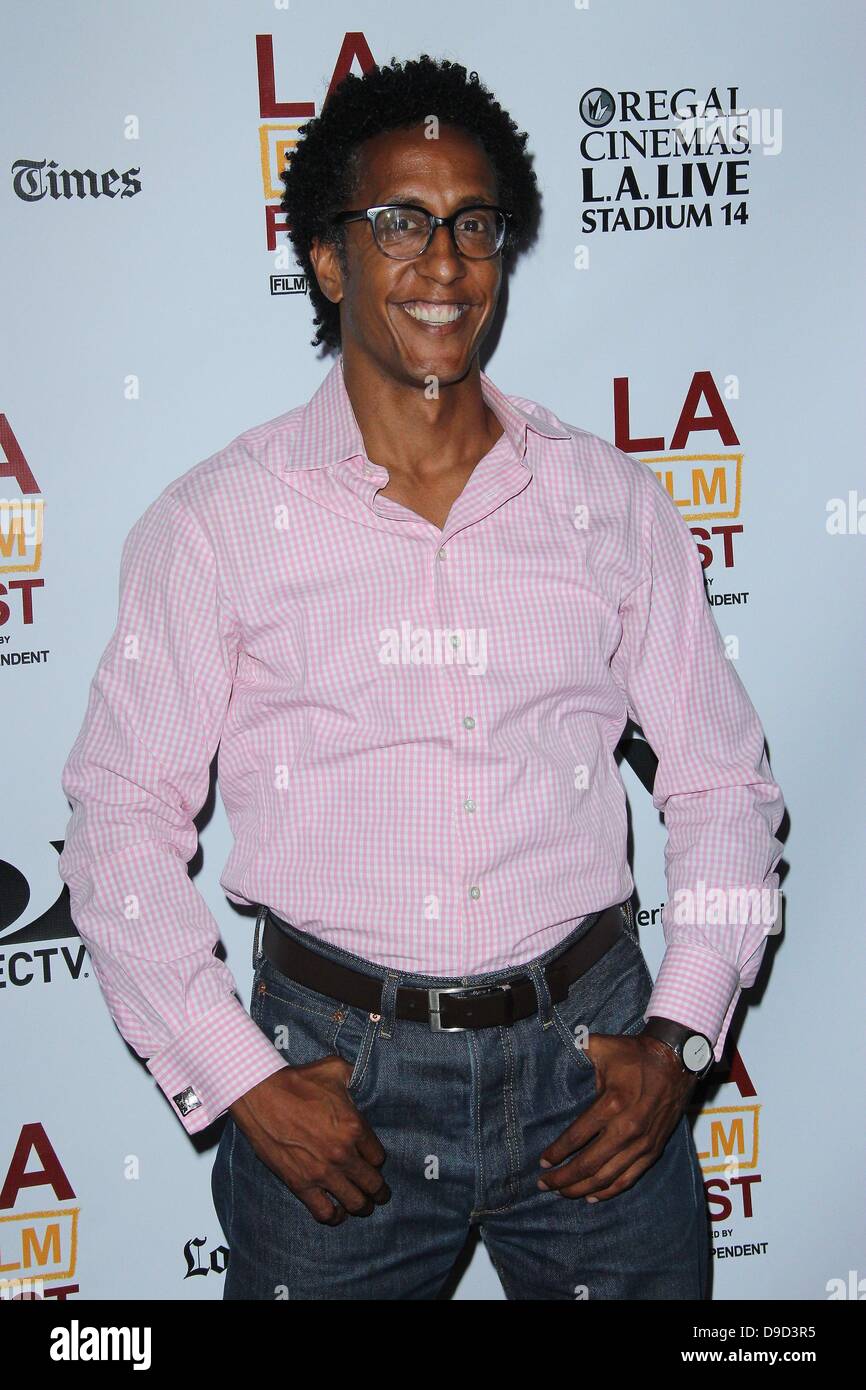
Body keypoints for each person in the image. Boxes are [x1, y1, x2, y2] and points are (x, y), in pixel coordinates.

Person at [58, 55, 785, 1300]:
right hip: (333, 1089)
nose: (440, 263)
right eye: (398, 221)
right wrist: (236, 1074)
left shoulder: (604, 501)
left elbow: (723, 786)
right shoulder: (216, 525)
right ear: (330, 260)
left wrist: (678, 1033)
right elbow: (119, 821)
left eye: (471, 225)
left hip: (588, 1065)